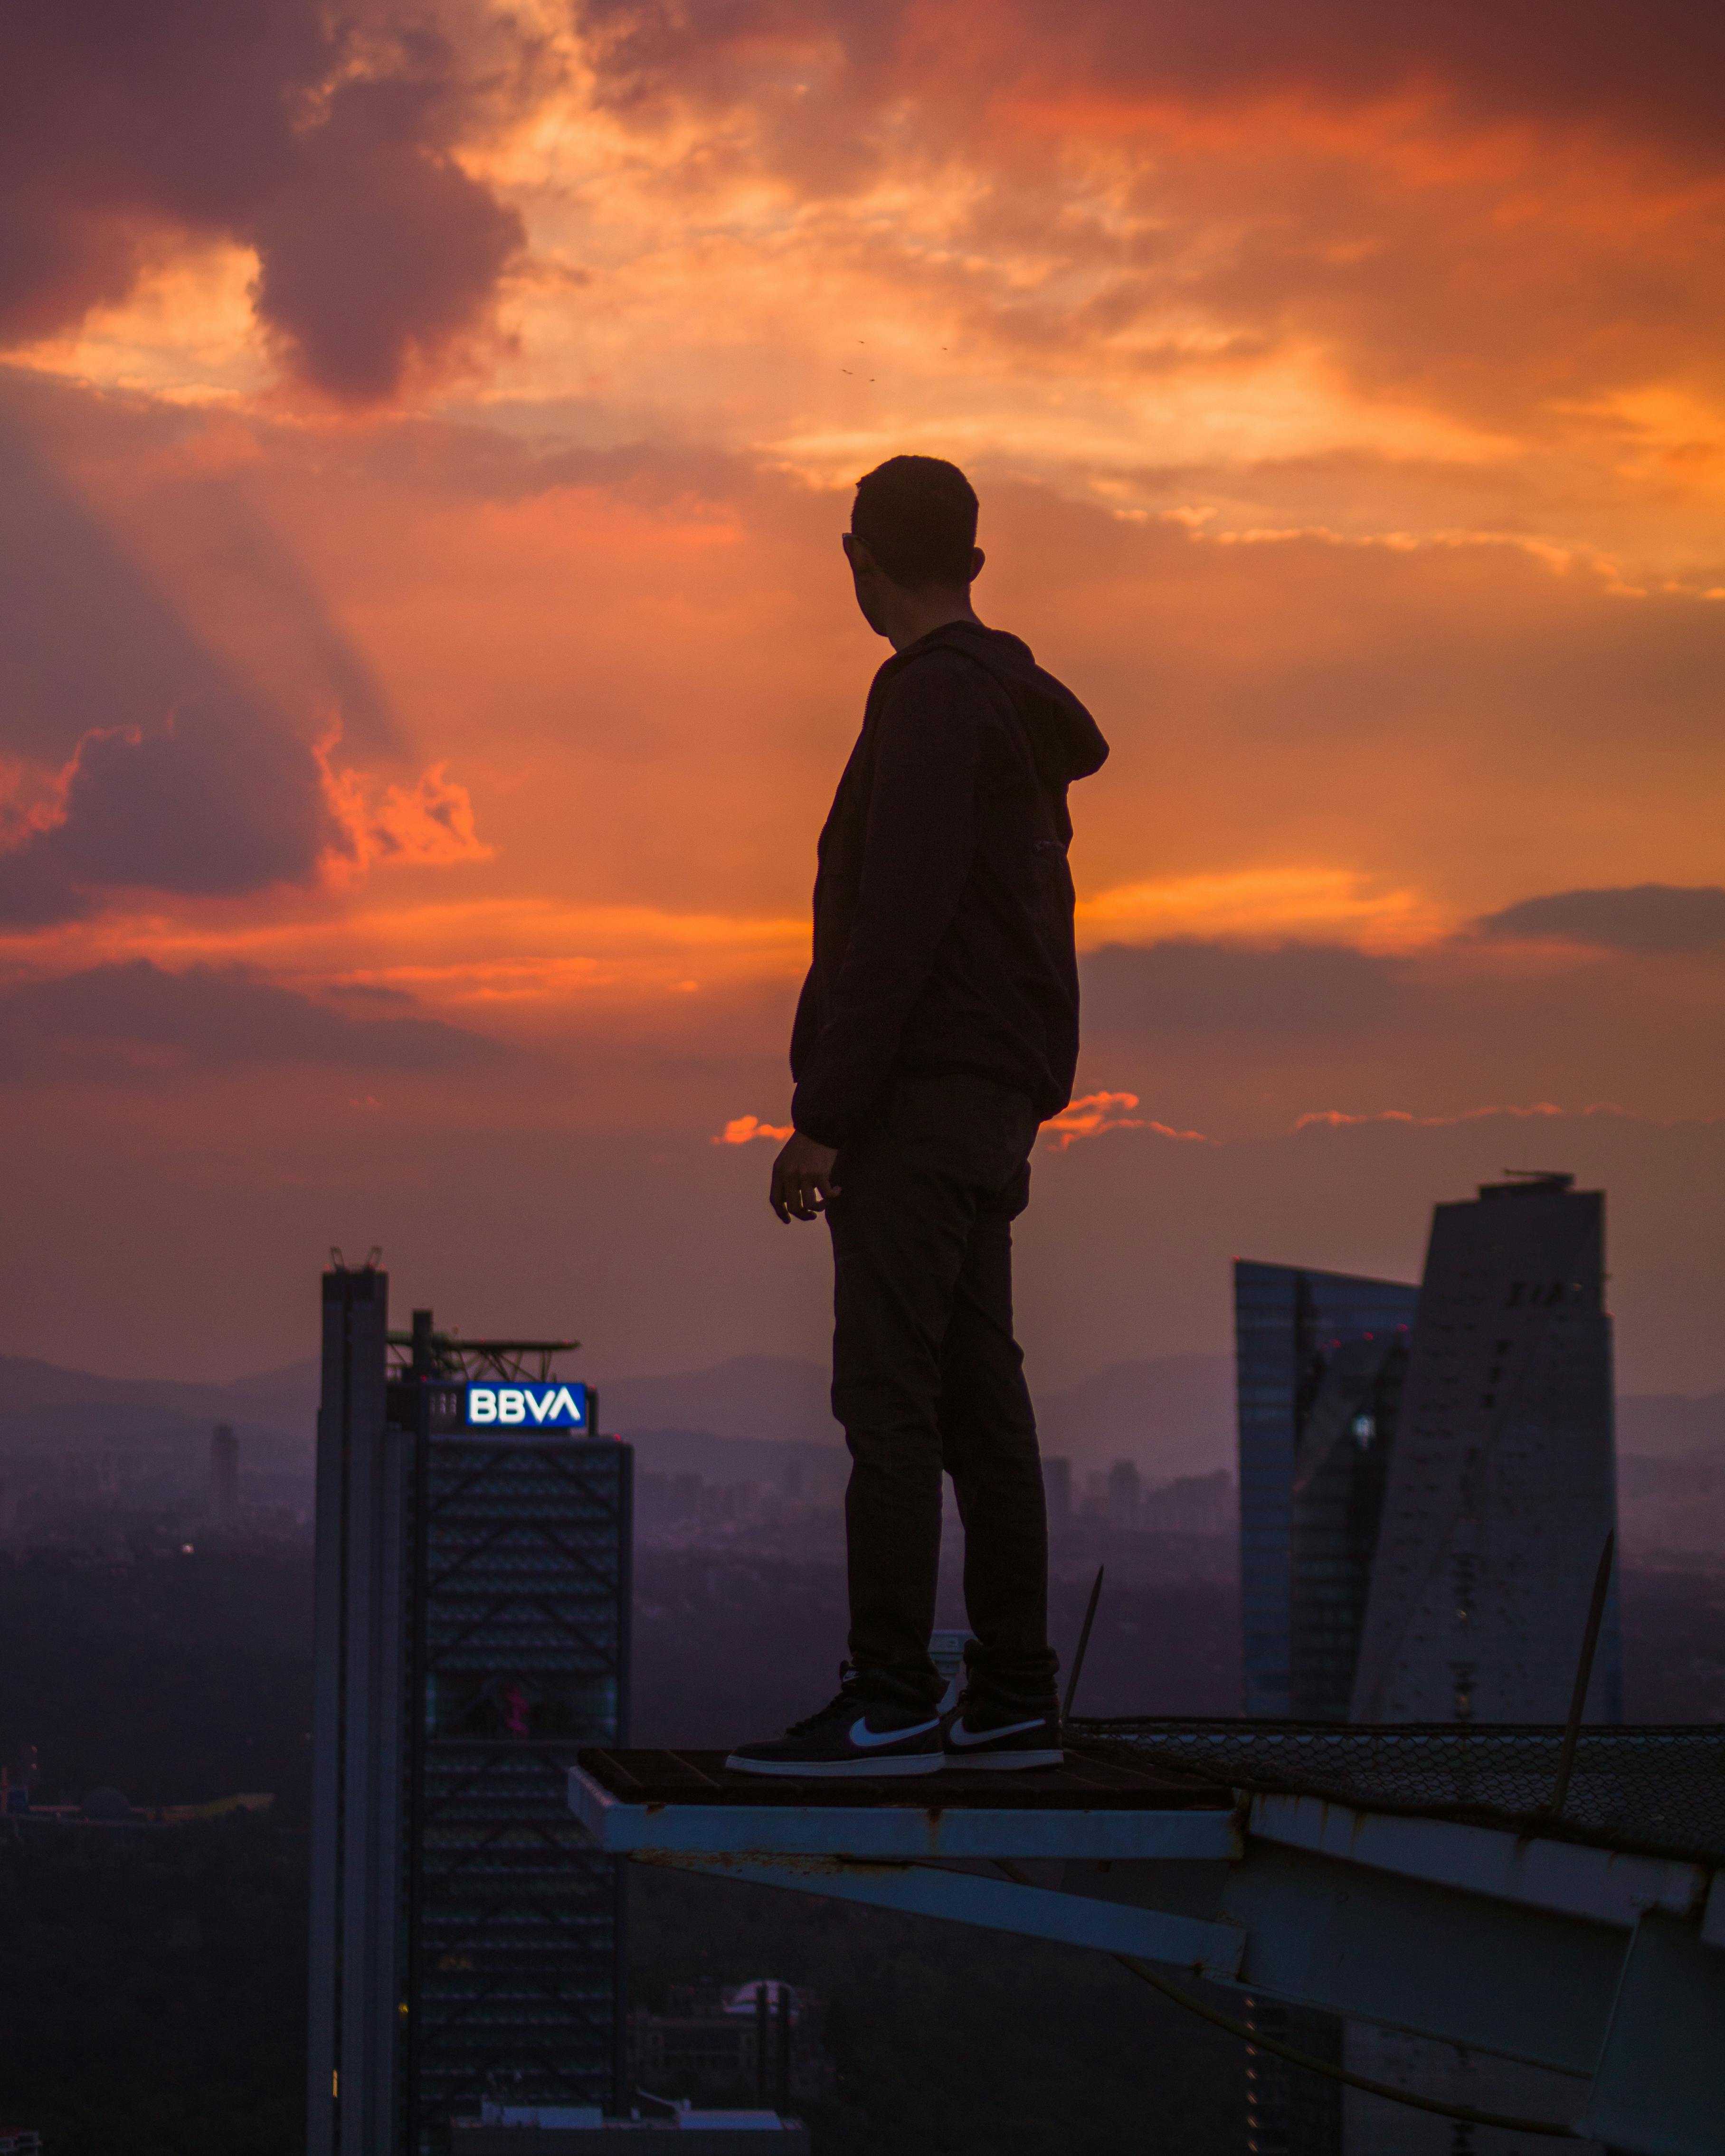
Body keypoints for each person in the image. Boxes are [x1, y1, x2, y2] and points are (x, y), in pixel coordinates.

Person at [726, 455, 1109, 1779]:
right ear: (977, 559)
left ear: (856, 558)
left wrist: (826, 1114)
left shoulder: (933, 702)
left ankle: (890, 1695)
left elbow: (900, 917)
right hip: (990, 1101)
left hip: (922, 1104)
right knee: (975, 1396)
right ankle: (1009, 1693)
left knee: (889, 1399)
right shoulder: (1005, 702)